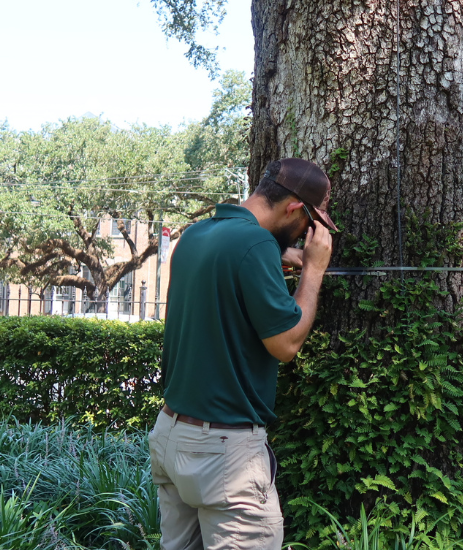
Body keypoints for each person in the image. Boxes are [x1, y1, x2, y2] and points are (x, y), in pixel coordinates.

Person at [149, 158, 336, 550]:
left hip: (171, 434)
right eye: (309, 225)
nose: (305, 237)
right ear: (294, 208)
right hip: (222, 455)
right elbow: (285, 344)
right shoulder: (255, 246)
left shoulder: (197, 235)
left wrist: (275, 256)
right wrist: (313, 270)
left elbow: (229, 268)